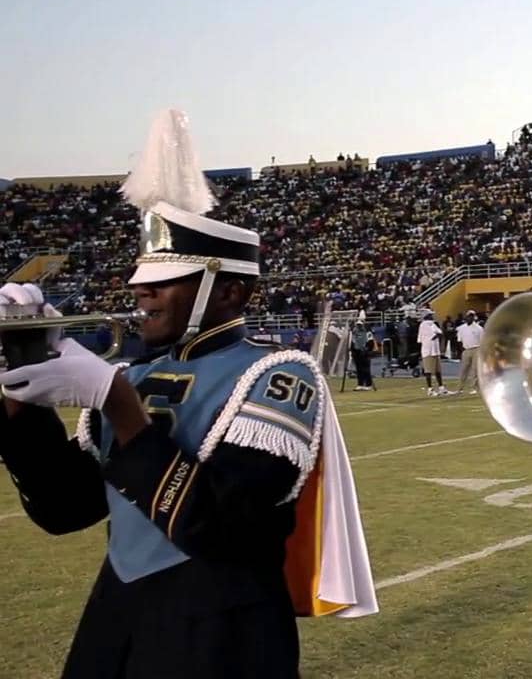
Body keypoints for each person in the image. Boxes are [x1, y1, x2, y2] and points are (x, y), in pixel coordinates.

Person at [0, 109, 376, 678]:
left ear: (229, 292)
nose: (140, 292)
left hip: (223, 634)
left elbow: (219, 526)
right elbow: (63, 508)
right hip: (117, 615)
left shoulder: (279, 373)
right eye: (141, 279)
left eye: (164, 280)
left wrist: (117, 402)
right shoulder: (134, 373)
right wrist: (25, 393)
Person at [418, 309, 447, 395]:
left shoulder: (432, 324)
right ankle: (430, 389)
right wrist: (438, 334)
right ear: (426, 316)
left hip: (435, 350)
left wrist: (438, 334)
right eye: (430, 315)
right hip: (428, 351)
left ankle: (441, 387)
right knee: (428, 371)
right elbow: (434, 335)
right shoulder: (423, 325)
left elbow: (440, 333)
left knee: (438, 370)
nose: (432, 316)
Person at [456, 309, 484, 394]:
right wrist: (462, 351)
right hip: (466, 349)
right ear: (466, 317)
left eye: (472, 316)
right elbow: (459, 341)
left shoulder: (479, 328)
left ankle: (474, 388)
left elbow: (482, 341)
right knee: (464, 369)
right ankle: (460, 388)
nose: (470, 318)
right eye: (469, 316)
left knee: (474, 370)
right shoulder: (461, 328)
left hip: (476, 349)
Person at [349, 318, 375, 391]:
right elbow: (353, 342)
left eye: (360, 325)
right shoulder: (354, 333)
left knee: (366, 369)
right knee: (359, 369)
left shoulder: (367, 332)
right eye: (358, 325)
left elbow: (371, 342)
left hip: (365, 353)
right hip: (357, 353)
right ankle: (360, 384)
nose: (359, 326)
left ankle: (368, 384)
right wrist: (353, 350)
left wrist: (367, 350)